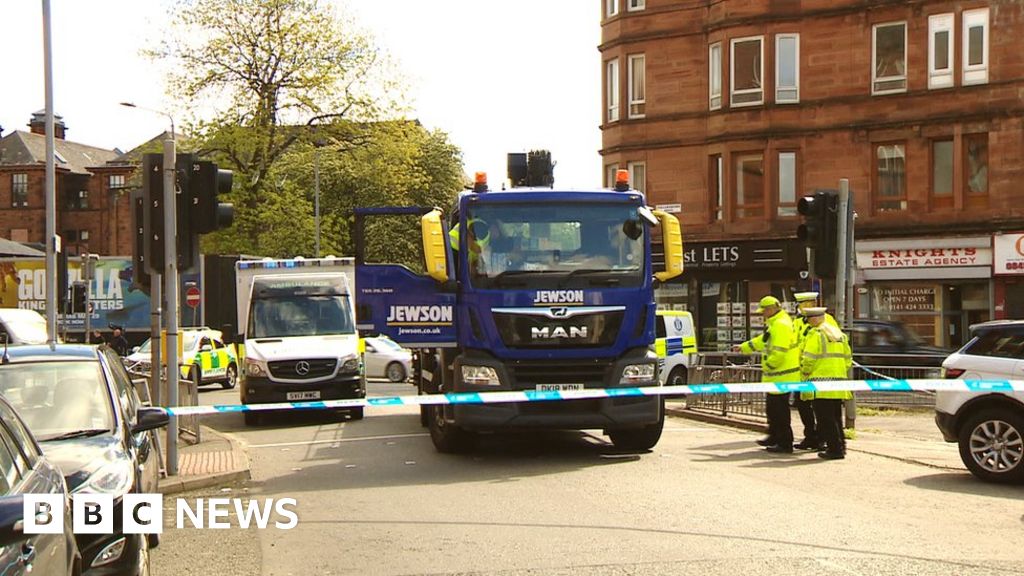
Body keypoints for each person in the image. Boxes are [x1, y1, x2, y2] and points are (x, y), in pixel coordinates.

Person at [734, 295, 800, 453]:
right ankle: (775, 436)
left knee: (779, 410)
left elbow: (779, 351)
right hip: (777, 374)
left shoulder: (781, 325)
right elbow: (763, 341)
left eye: (763, 311)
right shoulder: (775, 323)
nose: (762, 314)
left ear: (771, 309)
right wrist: (744, 347)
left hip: (782, 374)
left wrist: (768, 365)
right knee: (772, 408)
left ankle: (784, 442)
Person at [798, 307, 853, 460]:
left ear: (815, 319)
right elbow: (848, 359)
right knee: (836, 417)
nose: (808, 322)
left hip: (820, 383)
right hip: (838, 382)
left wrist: (804, 371)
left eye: (808, 319)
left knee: (825, 418)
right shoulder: (839, 334)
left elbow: (808, 357)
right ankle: (840, 446)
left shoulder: (816, 334)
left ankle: (834, 449)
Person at [790, 291, 838, 450]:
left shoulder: (826, 320)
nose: (803, 308)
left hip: (820, 371)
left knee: (822, 408)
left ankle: (822, 438)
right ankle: (810, 436)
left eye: (806, 304)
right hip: (801, 370)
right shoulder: (797, 322)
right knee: (802, 404)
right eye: (802, 304)